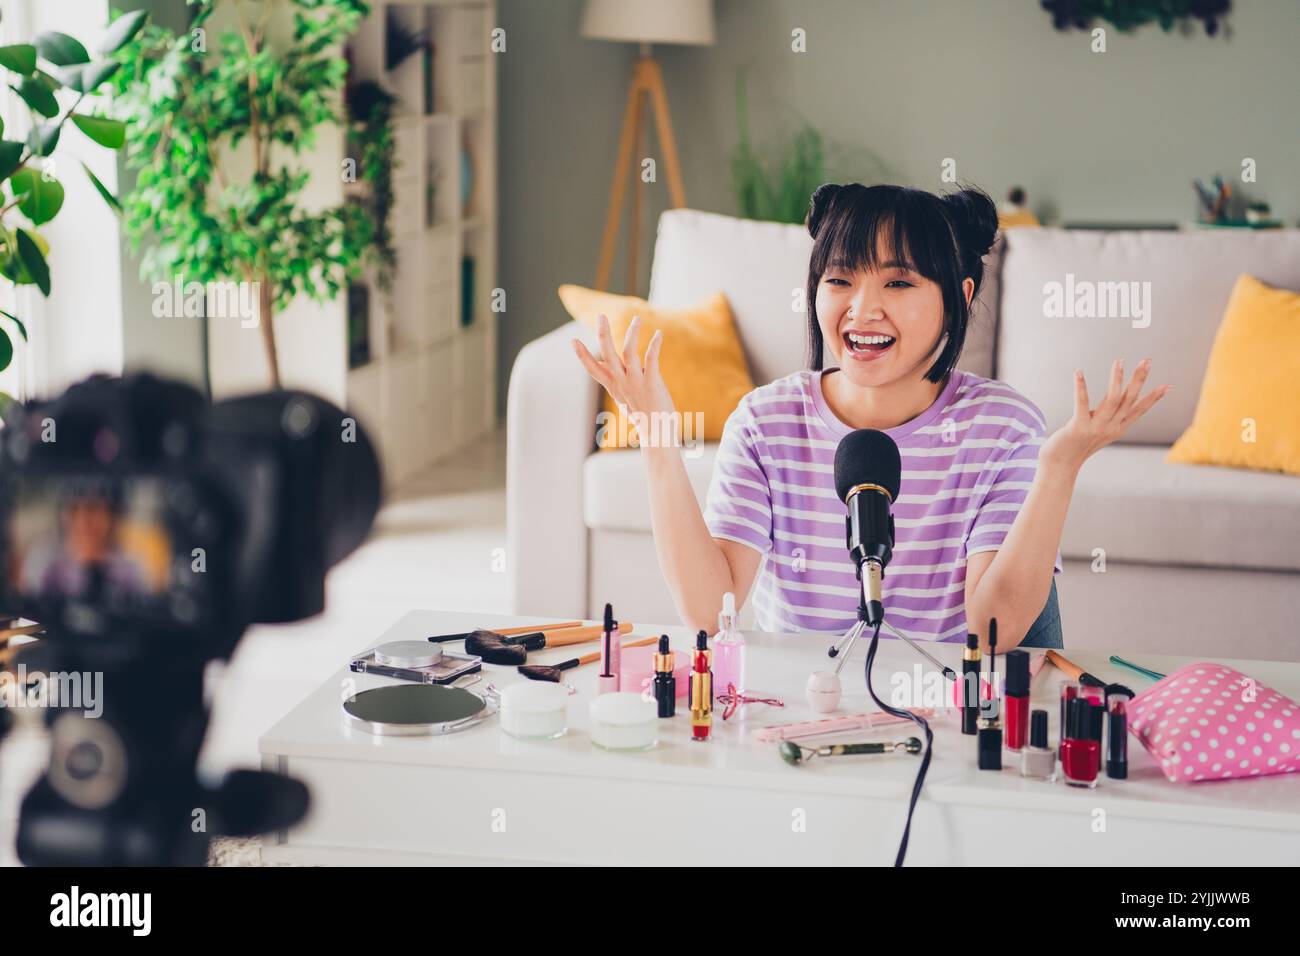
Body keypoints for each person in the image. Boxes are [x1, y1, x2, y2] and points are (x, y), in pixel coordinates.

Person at [573, 184, 1169, 651]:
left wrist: (1059, 469)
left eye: (898, 282)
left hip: (946, 720)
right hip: (805, 716)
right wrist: (655, 435)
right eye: (839, 279)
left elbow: (991, 633)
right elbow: (711, 612)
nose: (863, 309)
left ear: (958, 298)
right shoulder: (765, 421)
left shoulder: (1004, 428)